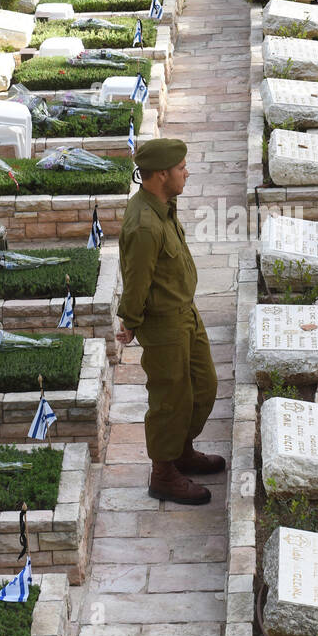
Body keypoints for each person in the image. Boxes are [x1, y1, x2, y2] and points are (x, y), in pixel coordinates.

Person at [116, 138, 223, 506]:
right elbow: (136, 279)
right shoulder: (145, 224)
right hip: (164, 325)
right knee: (170, 399)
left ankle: (180, 451)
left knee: (204, 386)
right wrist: (129, 321)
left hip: (186, 314)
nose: (187, 172)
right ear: (161, 175)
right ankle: (163, 473)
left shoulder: (162, 205)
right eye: (181, 168)